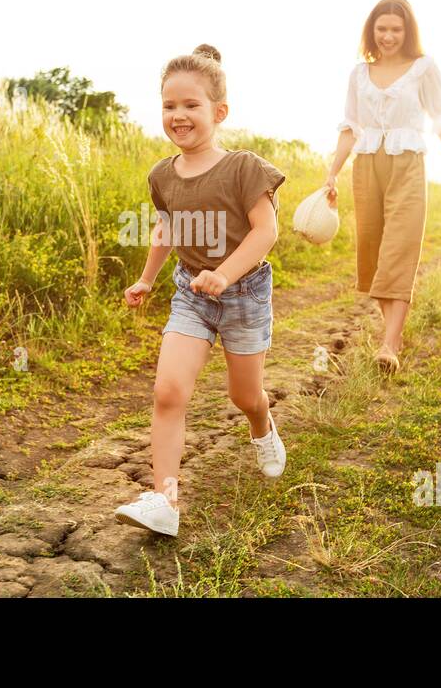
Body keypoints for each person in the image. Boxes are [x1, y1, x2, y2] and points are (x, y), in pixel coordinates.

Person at [114, 44, 288, 537]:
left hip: (244, 293)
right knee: (168, 391)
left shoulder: (243, 168)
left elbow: (265, 232)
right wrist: (146, 277)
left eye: (191, 105)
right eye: (170, 105)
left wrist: (226, 274)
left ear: (219, 111)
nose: (179, 115)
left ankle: (263, 427)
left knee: (245, 395)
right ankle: (164, 501)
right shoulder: (162, 175)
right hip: (191, 293)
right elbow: (167, 229)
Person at [324, 0, 441, 372]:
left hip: (407, 163)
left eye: (396, 29)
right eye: (382, 29)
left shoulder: (423, 68)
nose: (388, 36)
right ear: (371, 32)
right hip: (367, 164)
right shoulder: (359, 74)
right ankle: (394, 333)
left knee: (400, 247)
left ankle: (389, 343)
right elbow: (350, 127)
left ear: (408, 33)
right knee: (373, 253)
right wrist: (332, 172)